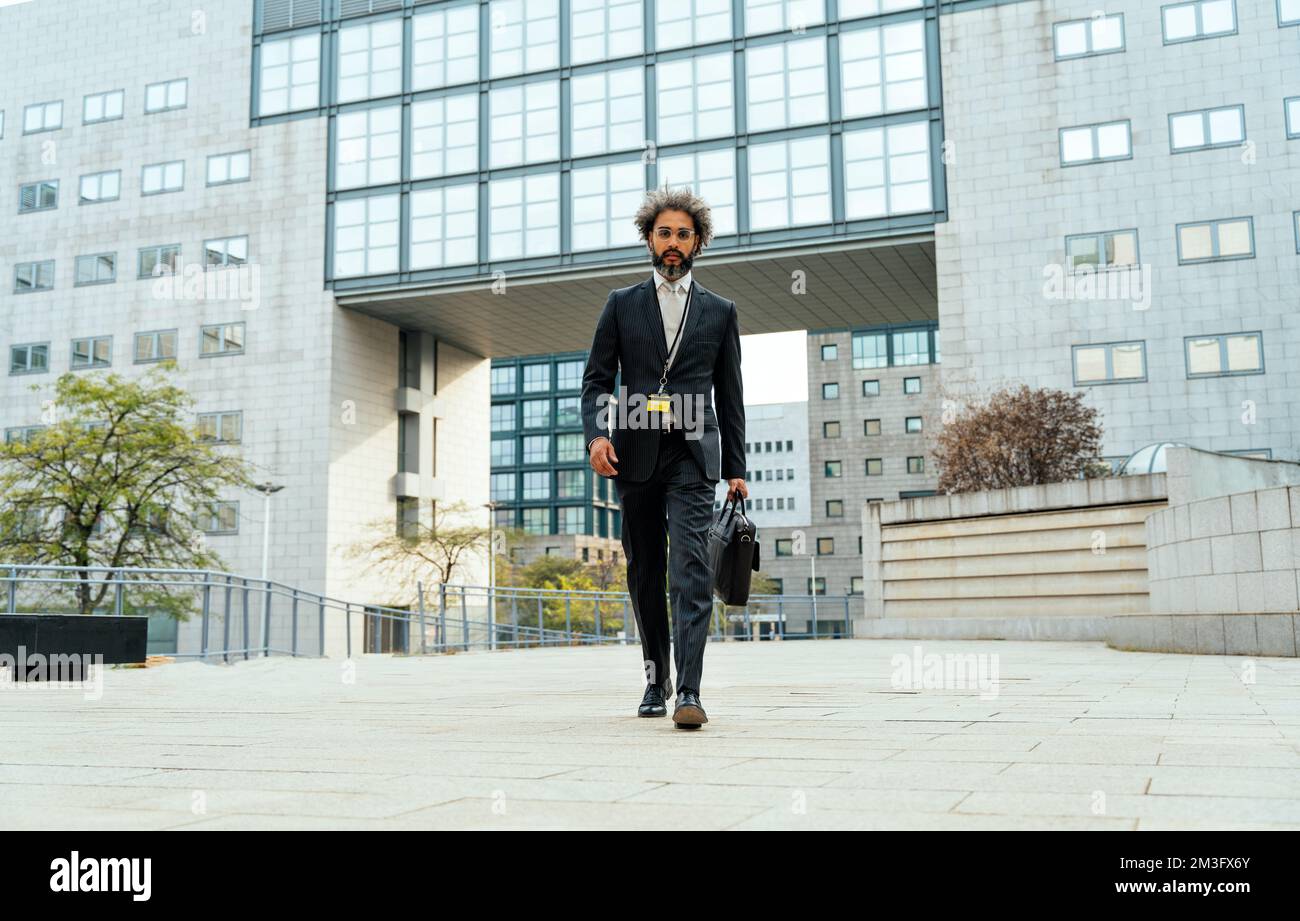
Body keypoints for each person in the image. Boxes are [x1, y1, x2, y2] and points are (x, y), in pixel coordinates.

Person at [580, 186, 748, 729]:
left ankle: (690, 692)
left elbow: (731, 394)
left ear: (698, 241)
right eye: (664, 233)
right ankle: (657, 677)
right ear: (649, 239)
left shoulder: (721, 312)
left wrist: (736, 470)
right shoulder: (621, 304)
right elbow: (597, 382)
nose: (673, 243)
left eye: (683, 234)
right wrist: (595, 437)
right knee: (646, 571)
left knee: (691, 568)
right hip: (635, 450)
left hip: (694, 453)